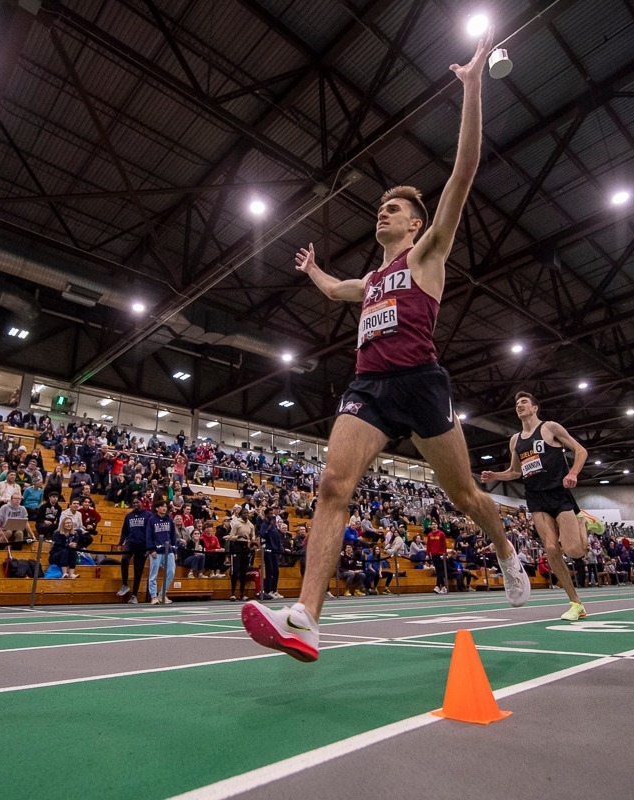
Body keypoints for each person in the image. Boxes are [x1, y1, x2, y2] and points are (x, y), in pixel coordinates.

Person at [241, 32, 529, 662]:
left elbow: (464, 172)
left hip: (421, 383)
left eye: (392, 208)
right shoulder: (371, 280)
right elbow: (337, 290)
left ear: (415, 223)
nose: (382, 213)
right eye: (379, 208)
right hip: (368, 388)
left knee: (464, 496)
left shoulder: (427, 255)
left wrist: (473, 88)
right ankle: (306, 619)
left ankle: (507, 550)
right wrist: (313, 270)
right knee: (332, 485)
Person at [481, 392, 589, 621]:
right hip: (536, 498)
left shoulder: (550, 428)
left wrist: (573, 473)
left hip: (558, 493)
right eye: (516, 403)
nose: (519, 405)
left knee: (574, 551)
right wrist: (495, 475)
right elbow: (515, 472)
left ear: (534, 408)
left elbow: (581, 451)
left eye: (524, 402)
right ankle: (575, 603)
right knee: (550, 549)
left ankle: (582, 521)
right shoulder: (515, 440)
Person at [145, 495, 178, 605]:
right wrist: (151, 549)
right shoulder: (151, 520)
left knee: (171, 572)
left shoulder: (170, 519)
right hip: (156, 551)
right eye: (162, 506)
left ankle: (162, 594)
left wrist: (175, 551)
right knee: (153, 574)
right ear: (157, 508)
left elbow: (173, 536)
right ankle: (153, 596)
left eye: (165, 507)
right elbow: (148, 536)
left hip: (169, 550)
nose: (164, 508)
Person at [116, 496, 149, 602]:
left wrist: (149, 546)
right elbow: (124, 531)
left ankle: (134, 595)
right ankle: (125, 584)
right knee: (124, 559)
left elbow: (150, 531)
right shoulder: (128, 516)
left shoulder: (148, 515)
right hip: (130, 542)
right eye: (134, 503)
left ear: (141, 502)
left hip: (143, 545)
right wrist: (120, 543)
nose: (135, 504)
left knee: (138, 571)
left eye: (137, 502)